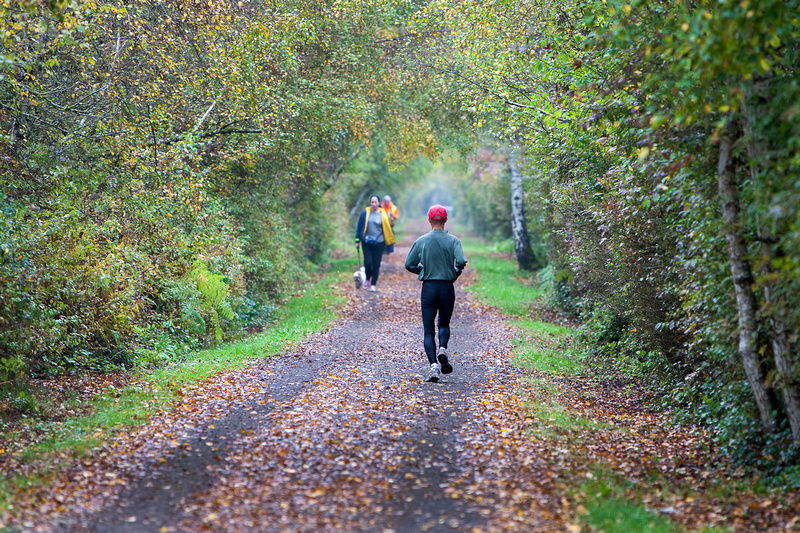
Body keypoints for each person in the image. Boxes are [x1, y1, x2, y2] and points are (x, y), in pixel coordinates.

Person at [404, 204, 468, 382]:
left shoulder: (421, 241)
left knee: (428, 330)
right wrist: (455, 271)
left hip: (429, 288)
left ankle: (433, 366)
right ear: (446, 220)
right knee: (444, 324)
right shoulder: (453, 240)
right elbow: (462, 260)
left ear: (429, 220)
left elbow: (409, 264)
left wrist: (423, 271)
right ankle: (443, 349)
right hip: (447, 287)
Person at [355, 195, 396, 292]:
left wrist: (392, 219)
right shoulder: (365, 213)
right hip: (366, 242)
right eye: (372, 202)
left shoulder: (383, 214)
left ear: (379, 203)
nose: (374, 204)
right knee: (368, 263)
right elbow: (359, 227)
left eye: (375, 202)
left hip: (379, 242)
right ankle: (367, 279)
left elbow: (388, 227)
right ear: (370, 203)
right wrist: (357, 241)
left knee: (376, 264)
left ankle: (373, 284)